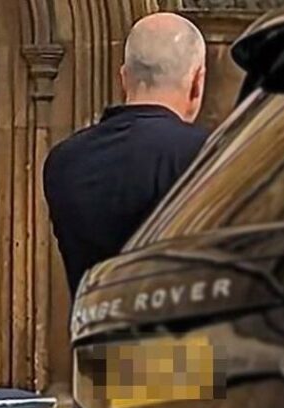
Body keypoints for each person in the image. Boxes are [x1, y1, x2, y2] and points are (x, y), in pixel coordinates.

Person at [43, 12, 210, 296]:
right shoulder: (212, 155)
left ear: (124, 78)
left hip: (95, 336)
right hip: (190, 339)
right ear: (197, 81)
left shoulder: (63, 161)